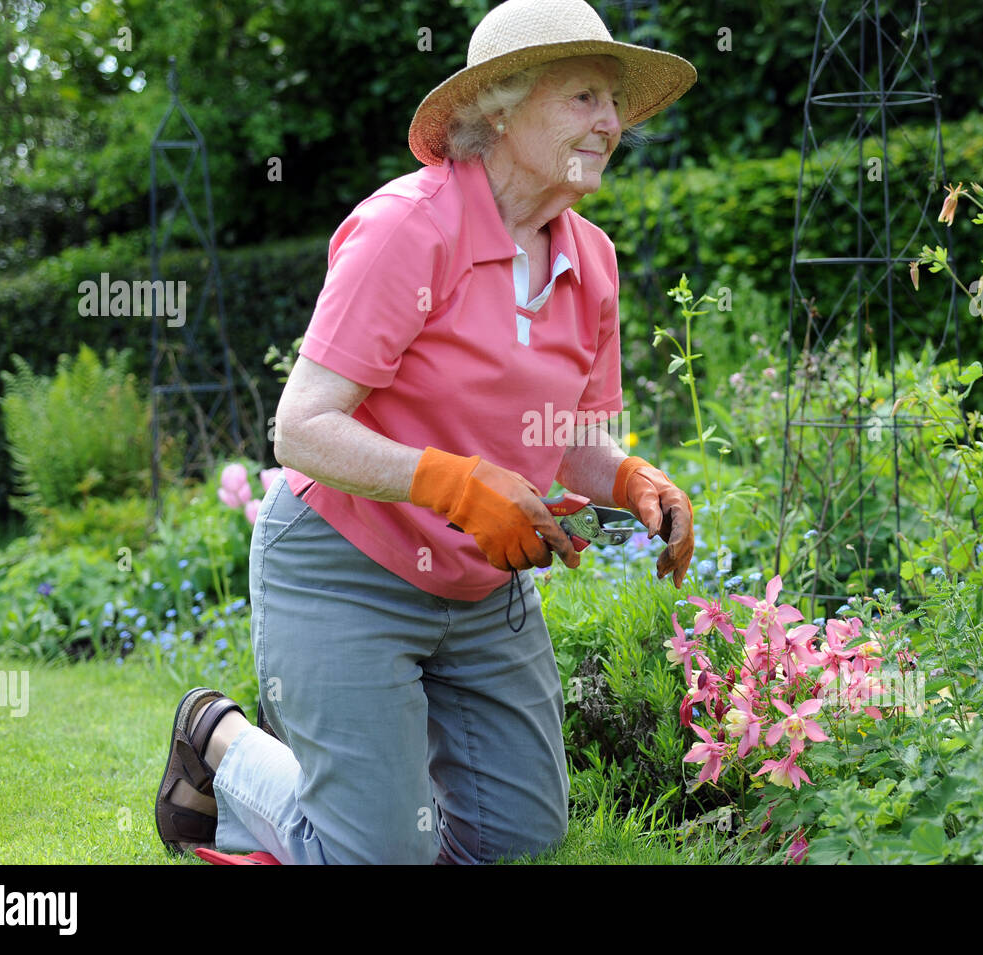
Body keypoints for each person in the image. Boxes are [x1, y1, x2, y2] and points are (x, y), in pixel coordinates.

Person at [155, 0, 697, 865]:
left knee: (519, 843)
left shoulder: (590, 258)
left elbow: (576, 440)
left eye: (614, 102)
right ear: (501, 108)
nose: (611, 123)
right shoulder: (410, 227)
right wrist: (454, 483)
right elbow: (299, 429)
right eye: (584, 96)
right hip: (344, 566)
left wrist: (633, 482)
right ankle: (219, 740)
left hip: (484, 589)